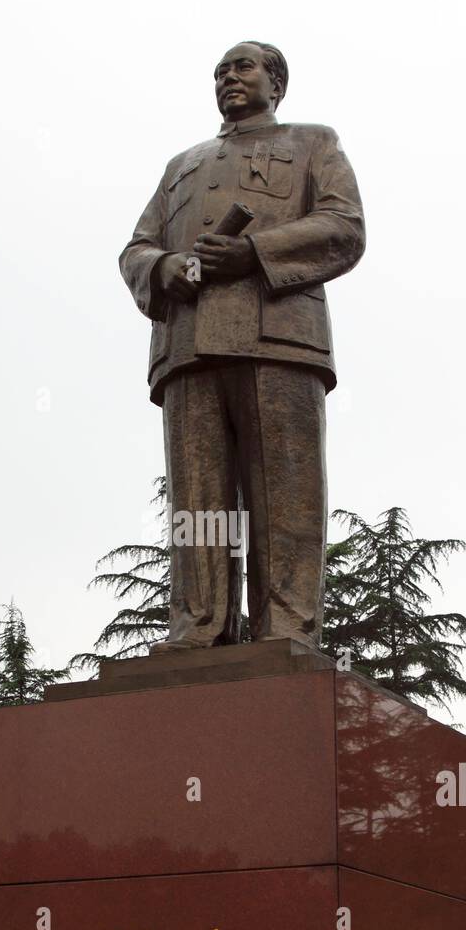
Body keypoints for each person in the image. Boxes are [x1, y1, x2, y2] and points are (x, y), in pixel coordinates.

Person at [120, 40, 365, 650]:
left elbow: (344, 227)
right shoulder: (182, 165)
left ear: (276, 83)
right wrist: (163, 267)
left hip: (279, 337)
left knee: (286, 493)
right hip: (188, 347)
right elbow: (135, 247)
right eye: (220, 72)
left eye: (243, 67)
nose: (229, 77)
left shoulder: (314, 143)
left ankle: (287, 630)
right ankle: (199, 626)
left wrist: (255, 252)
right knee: (198, 500)